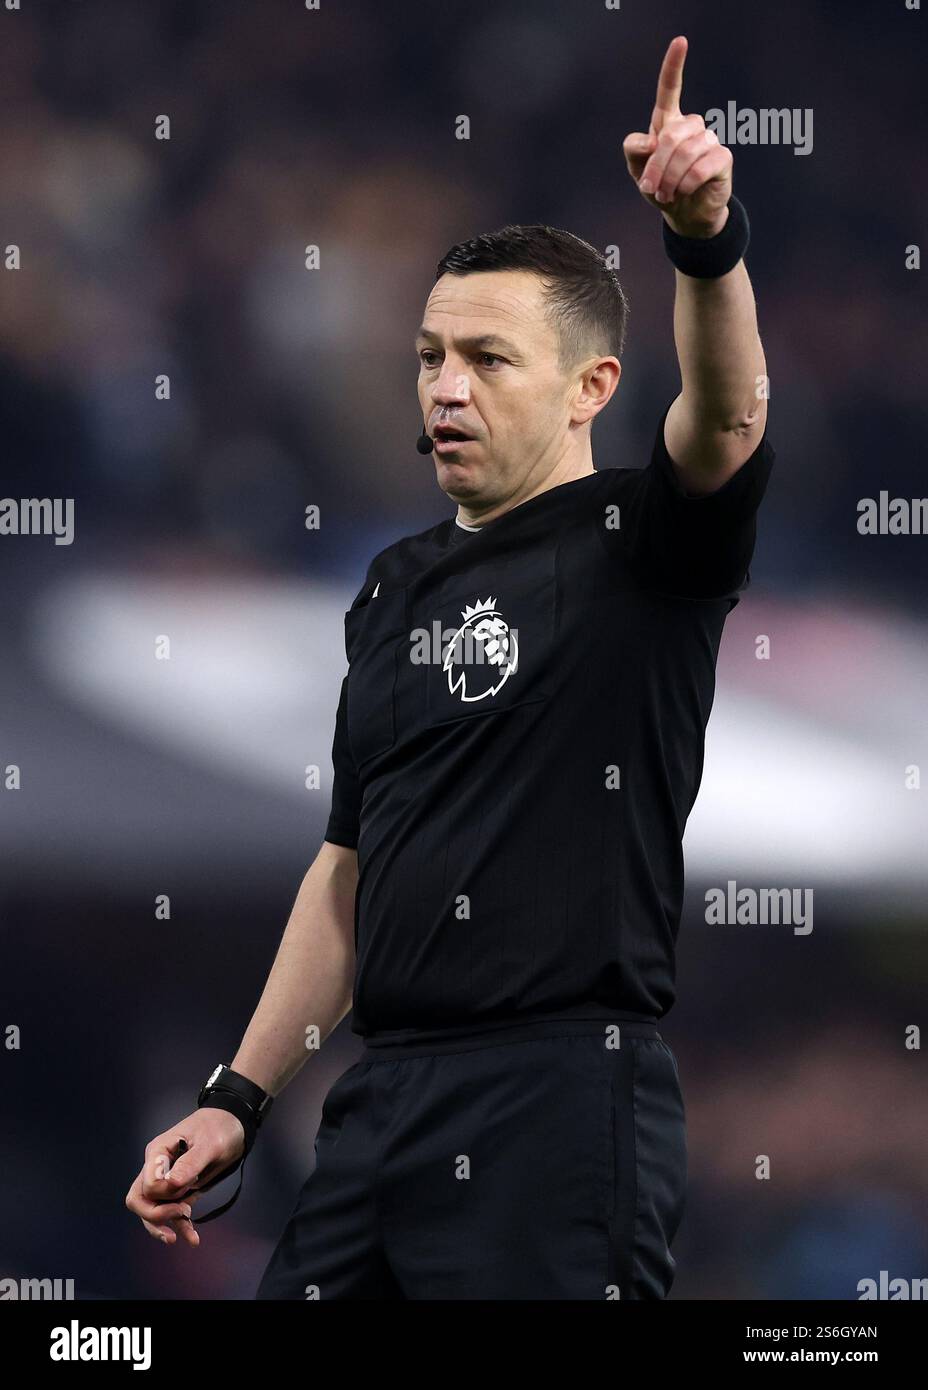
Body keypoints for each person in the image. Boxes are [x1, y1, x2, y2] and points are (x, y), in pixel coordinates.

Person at [126, 35, 774, 1299]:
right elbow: (347, 868)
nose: (445, 387)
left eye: (487, 360)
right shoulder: (391, 586)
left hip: (559, 1102)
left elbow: (729, 417)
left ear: (591, 386)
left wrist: (705, 236)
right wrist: (240, 1098)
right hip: (381, 1105)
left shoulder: (647, 546)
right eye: (430, 355)